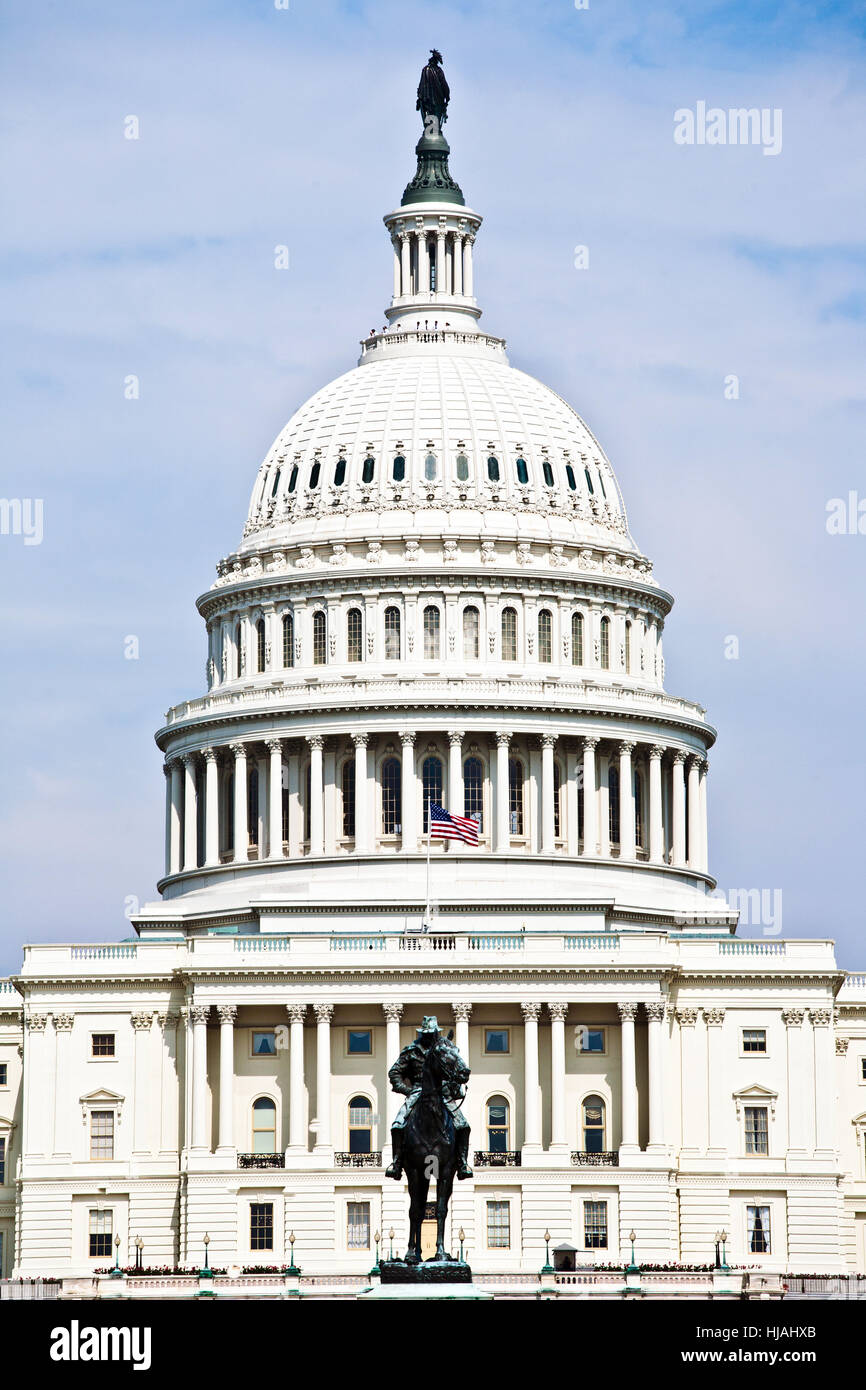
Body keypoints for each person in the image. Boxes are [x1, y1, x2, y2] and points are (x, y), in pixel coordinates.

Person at [385, 1016, 472, 1180]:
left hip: (443, 1092)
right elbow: (395, 1072)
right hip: (417, 1091)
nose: (431, 1037)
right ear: (422, 1034)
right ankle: (396, 1163)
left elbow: (455, 1068)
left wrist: (453, 1084)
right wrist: (407, 1090)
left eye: (433, 1033)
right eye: (428, 1034)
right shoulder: (411, 1051)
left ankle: (462, 1163)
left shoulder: (445, 1048)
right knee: (398, 1124)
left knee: (463, 1125)